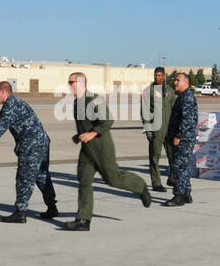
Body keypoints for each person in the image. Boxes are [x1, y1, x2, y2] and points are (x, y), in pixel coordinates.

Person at [63, 72, 151, 231]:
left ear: (81, 83)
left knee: (113, 179)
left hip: (101, 146)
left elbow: (108, 120)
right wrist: (79, 136)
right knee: (84, 181)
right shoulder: (77, 103)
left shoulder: (95, 100)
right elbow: (86, 124)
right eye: (68, 82)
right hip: (87, 149)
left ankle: (140, 185)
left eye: (71, 82)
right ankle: (83, 220)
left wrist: (92, 133)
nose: (69, 85)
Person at [0, 81, 58, 222]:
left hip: (31, 146)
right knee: (42, 176)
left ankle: (20, 213)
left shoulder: (10, 106)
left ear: (2, 91)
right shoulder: (14, 103)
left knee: (24, 178)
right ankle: (52, 208)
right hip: (41, 143)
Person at [162, 73, 198, 206]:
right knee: (184, 167)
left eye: (178, 80)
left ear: (186, 82)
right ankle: (187, 193)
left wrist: (178, 136)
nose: (175, 83)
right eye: (175, 80)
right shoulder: (182, 97)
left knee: (178, 167)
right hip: (184, 138)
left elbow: (187, 121)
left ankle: (179, 196)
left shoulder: (187, 98)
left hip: (183, 139)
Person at [140, 67, 175, 192]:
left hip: (169, 128)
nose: (157, 78)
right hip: (156, 129)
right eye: (155, 75)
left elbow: (174, 110)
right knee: (155, 157)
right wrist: (148, 128)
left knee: (173, 155)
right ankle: (156, 183)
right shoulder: (148, 91)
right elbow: (144, 111)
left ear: (164, 76)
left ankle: (172, 178)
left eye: (160, 75)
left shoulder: (170, 91)